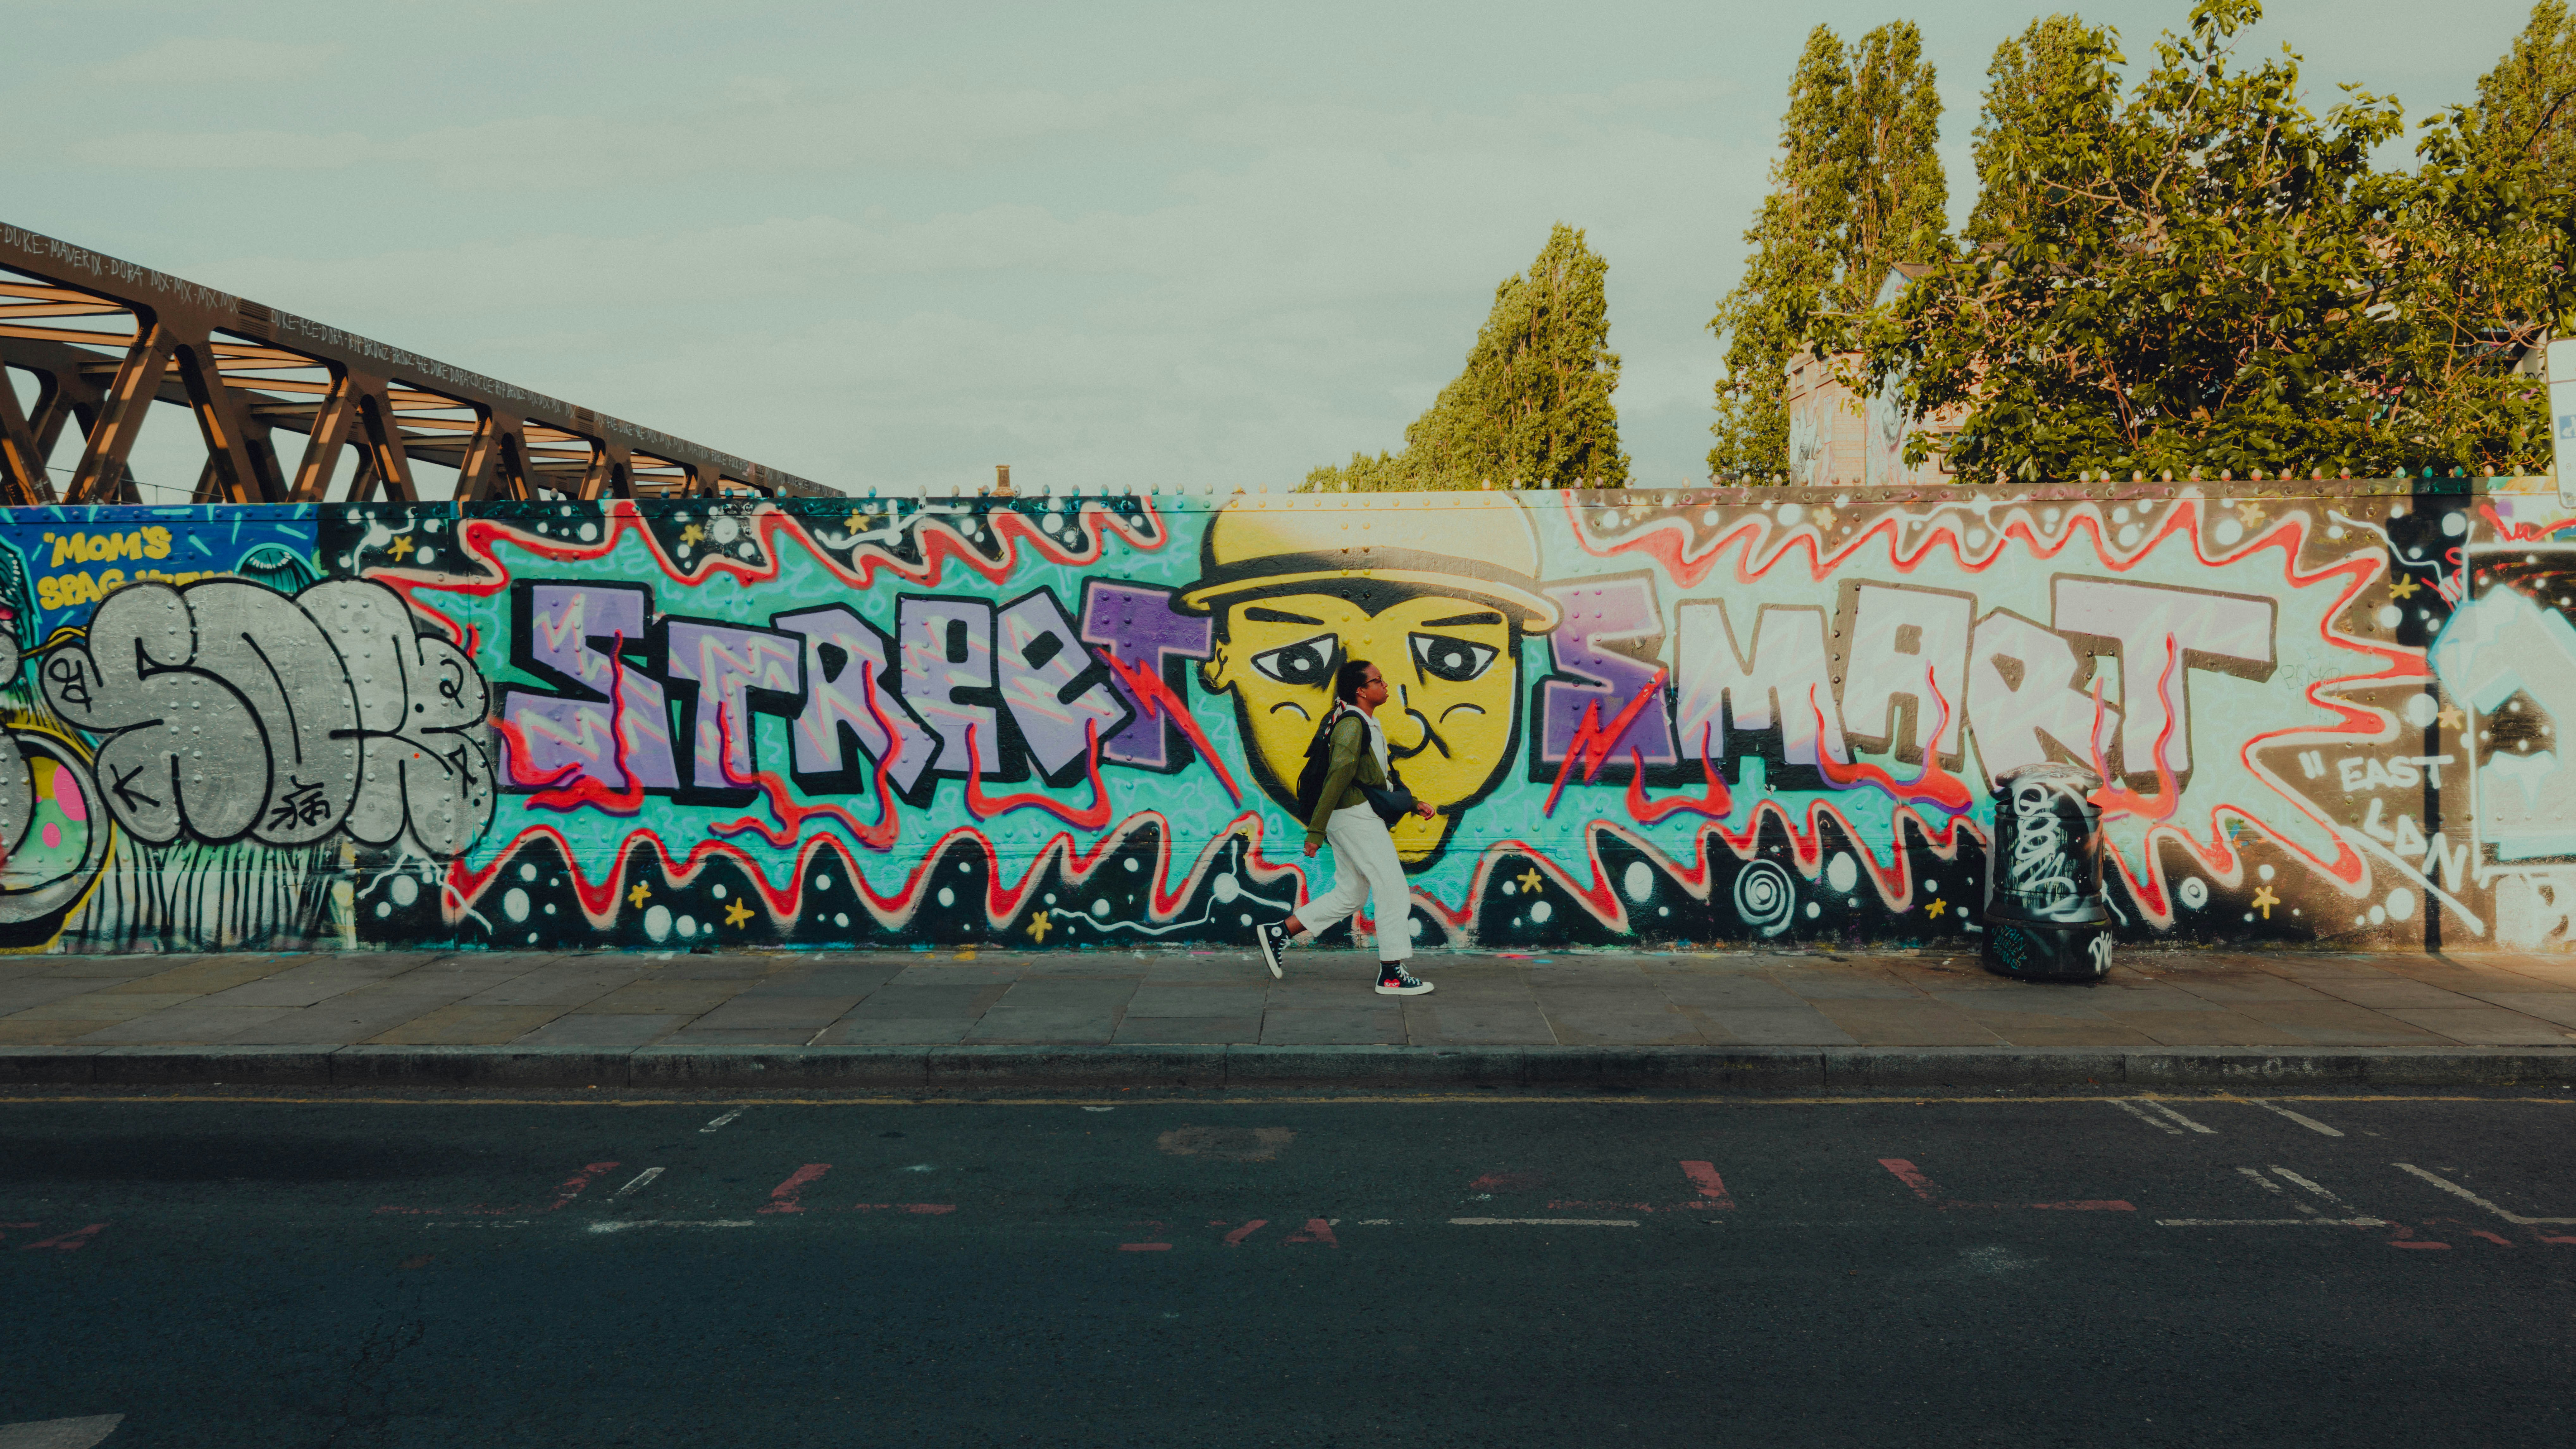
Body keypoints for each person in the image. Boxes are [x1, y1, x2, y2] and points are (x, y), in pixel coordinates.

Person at [1253, 658, 1436, 995]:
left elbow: (1374, 778)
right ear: (1360, 691)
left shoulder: (1366, 724)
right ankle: (1392, 974)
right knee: (1392, 888)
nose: (1384, 685)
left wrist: (1411, 803)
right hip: (1354, 817)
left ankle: (1280, 932)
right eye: (1377, 681)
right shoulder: (1352, 725)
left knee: (1351, 892)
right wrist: (1315, 832)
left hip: (1351, 815)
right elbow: (1337, 777)